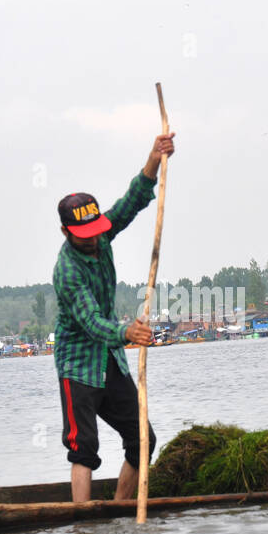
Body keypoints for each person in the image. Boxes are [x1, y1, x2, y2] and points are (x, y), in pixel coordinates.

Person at [53, 131, 175, 503]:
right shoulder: (67, 272)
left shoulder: (101, 235)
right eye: (83, 236)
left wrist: (154, 158)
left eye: (94, 233)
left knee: (142, 439)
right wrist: (128, 332)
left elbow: (133, 201)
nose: (92, 240)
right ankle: (82, 527)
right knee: (83, 447)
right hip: (78, 365)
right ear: (65, 231)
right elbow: (91, 322)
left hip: (110, 361)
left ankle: (122, 510)